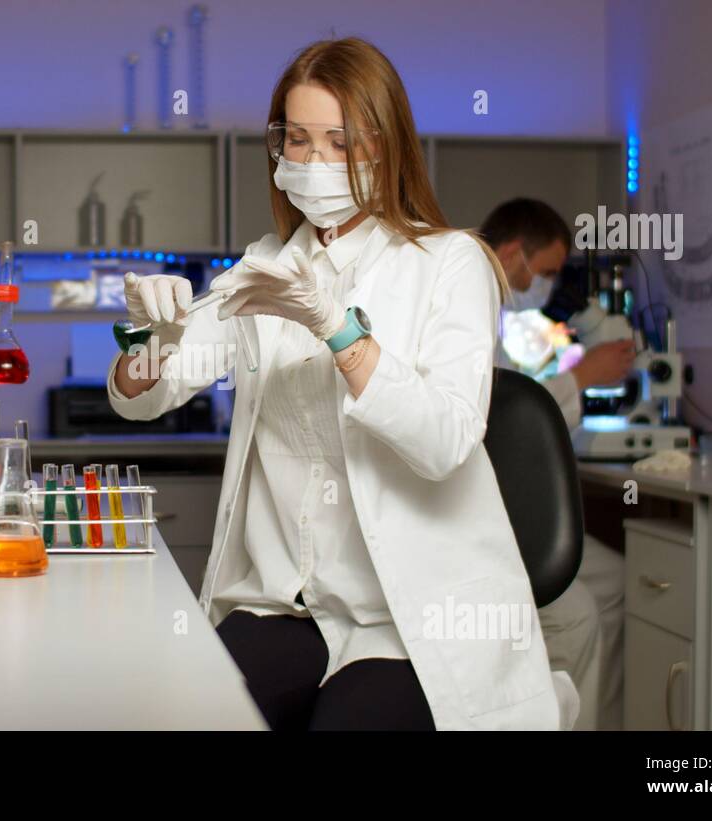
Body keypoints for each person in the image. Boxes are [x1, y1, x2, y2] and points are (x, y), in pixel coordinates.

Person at [106, 38, 577, 731]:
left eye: (339, 142)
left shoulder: (451, 263)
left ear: (385, 148)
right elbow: (143, 394)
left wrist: (339, 331)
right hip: (285, 606)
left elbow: (446, 439)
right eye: (298, 139)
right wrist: (155, 339)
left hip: (407, 616)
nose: (314, 161)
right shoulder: (262, 267)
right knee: (194, 712)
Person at [480, 197, 632, 730]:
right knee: (579, 615)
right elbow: (505, 419)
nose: (546, 286)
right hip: (483, 526)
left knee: (616, 581)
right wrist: (585, 374)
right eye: (545, 272)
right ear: (515, 253)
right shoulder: (467, 304)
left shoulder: (493, 311)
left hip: (504, 517)